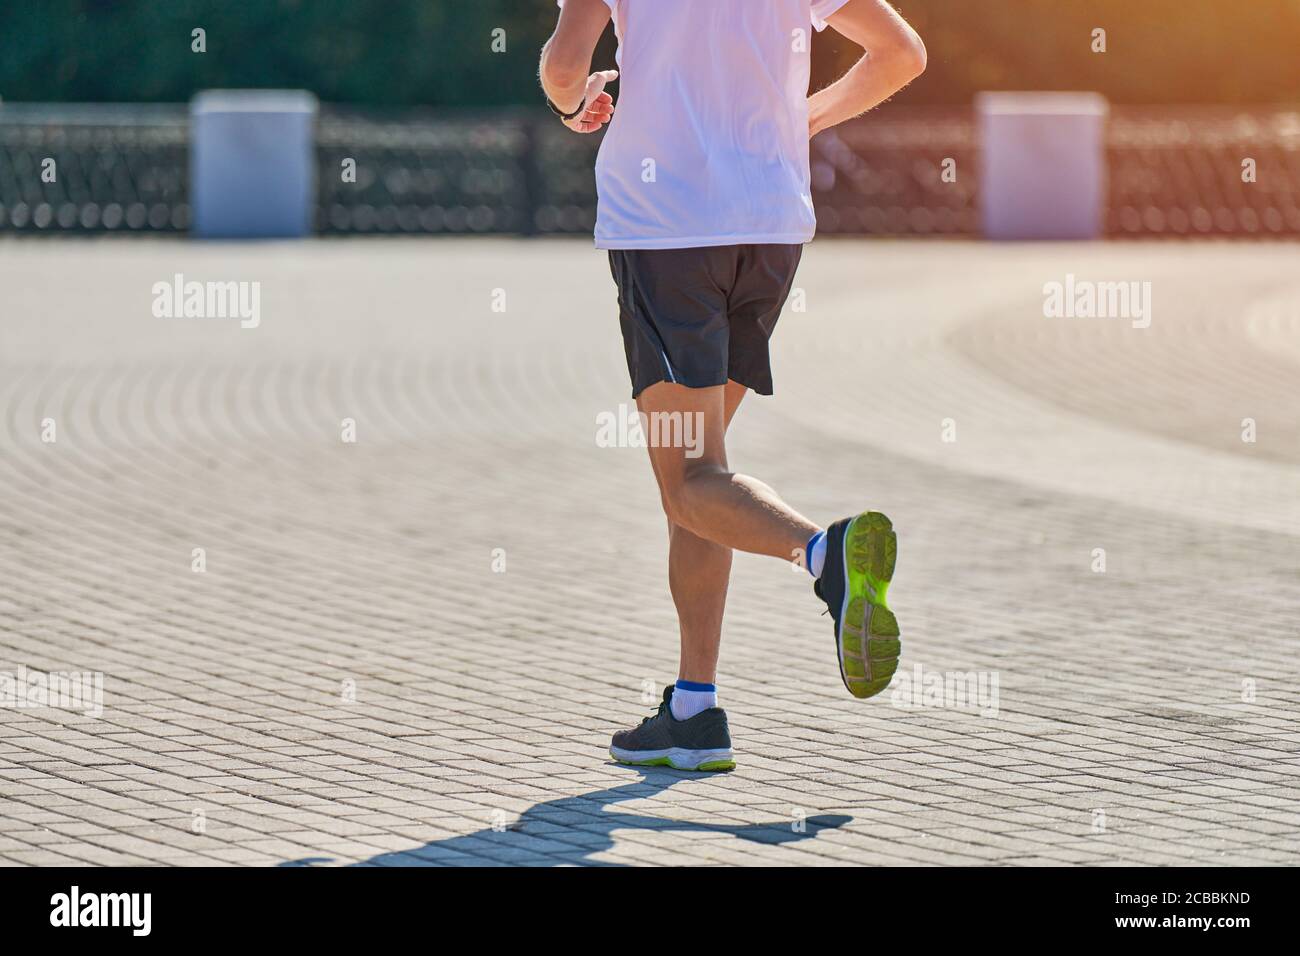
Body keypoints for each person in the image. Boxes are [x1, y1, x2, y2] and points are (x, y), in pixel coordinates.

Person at [539, 0, 927, 771]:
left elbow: (561, 69)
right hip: (771, 227)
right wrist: (803, 121)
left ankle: (825, 554)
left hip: (669, 232)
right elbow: (902, 53)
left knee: (688, 482)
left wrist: (575, 105)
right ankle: (694, 708)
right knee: (703, 474)